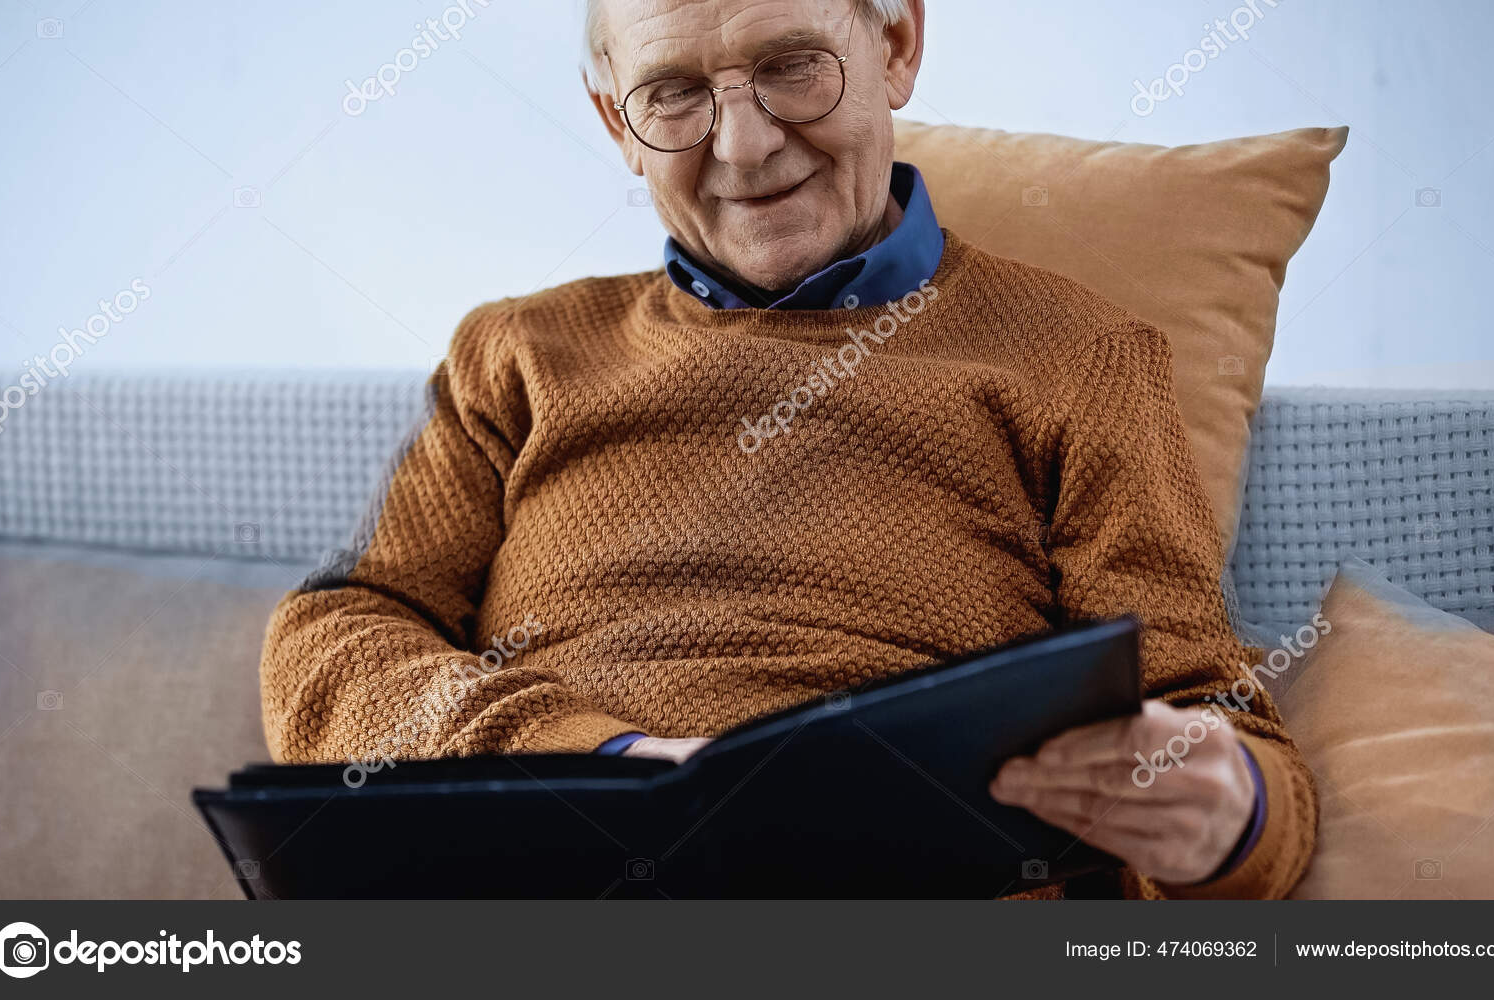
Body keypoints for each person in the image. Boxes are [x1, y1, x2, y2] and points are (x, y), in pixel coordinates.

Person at [260, 0, 1316, 899]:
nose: (745, 143)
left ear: (896, 44)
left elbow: (1205, 710)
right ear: (611, 122)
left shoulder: (1080, 357)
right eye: (673, 93)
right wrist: (609, 764)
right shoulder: (516, 354)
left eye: (790, 67)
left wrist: (1231, 817)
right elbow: (334, 639)